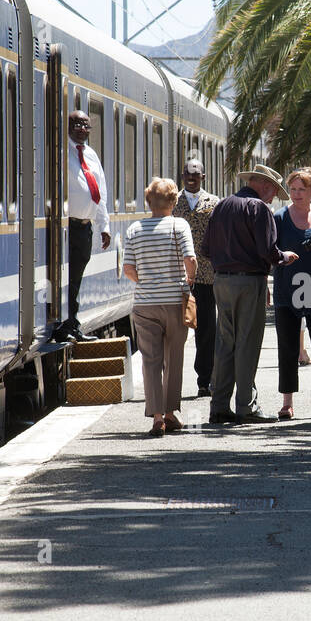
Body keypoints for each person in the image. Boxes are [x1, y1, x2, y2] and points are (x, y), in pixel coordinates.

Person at [201, 163, 297, 424]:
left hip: (221, 281)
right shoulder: (259, 208)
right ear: (265, 185)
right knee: (247, 343)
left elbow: (206, 249)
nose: (273, 198)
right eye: (274, 192)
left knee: (224, 344)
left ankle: (219, 405)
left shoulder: (221, 205)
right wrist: (284, 257)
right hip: (249, 281)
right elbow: (268, 250)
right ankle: (246, 405)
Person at [124, 179, 197, 437]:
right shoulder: (180, 225)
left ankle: (156, 418)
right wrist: (188, 281)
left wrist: (146, 283)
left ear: (148, 202)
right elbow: (190, 259)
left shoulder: (134, 229)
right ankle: (169, 413)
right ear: (175, 202)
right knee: (173, 358)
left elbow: (128, 270)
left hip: (145, 304)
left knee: (151, 361)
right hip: (174, 302)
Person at [273, 168, 311, 419]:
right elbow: (270, 250)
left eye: (302, 189)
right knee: (287, 347)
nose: (296, 194)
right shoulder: (280, 217)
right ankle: (287, 402)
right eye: (293, 189)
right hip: (286, 290)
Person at [60, 110, 111, 342]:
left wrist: (104, 225)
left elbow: (99, 191)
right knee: (67, 278)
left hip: (85, 228)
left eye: (86, 126)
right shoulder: (61, 151)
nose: (82, 129)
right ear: (68, 126)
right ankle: (65, 325)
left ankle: (72, 324)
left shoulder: (90, 154)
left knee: (76, 277)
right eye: (77, 124)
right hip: (66, 227)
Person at [173, 156, 221, 397]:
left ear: (203, 177)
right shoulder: (172, 202)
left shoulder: (214, 203)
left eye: (196, 174)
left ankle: (205, 379)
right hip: (177, 276)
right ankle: (170, 383)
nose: (191, 178)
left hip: (205, 276)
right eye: (187, 175)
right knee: (174, 330)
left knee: (205, 329)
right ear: (182, 177)